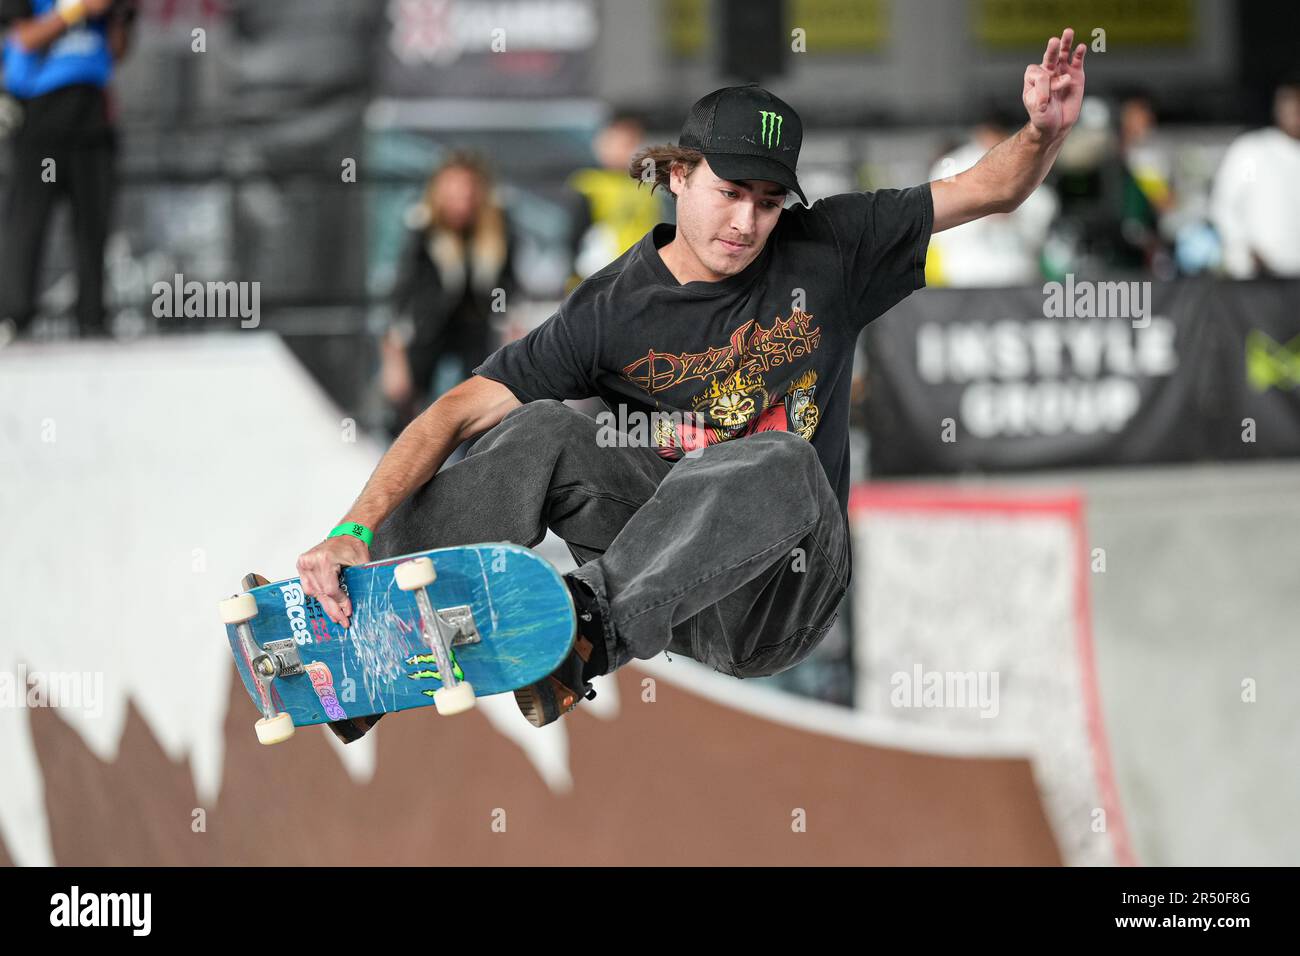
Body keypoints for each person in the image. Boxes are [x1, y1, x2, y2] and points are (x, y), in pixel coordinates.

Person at [298, 29, 1088, 740]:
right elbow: (454, 413)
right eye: (729, 193)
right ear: (678, 176)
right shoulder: (609, 311)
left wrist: (1042, 131)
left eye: (768, 203)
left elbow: (991, 189)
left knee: (782, 457)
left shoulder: (836, 247)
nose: (746, 223)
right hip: (677, 585)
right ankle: (368, 624)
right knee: (543, 431)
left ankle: (582, 635)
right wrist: (356, 530)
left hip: (785, 590)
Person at [0, 0, 136, 344]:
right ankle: (16, 318)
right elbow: (24, 38)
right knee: (28, 223)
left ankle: (92, 318)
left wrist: (116, 15)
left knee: (94, 225)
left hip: (91, 123)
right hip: (42, 123)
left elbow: (117, 52)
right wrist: (76, 9)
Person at [379, 151, 517, 448]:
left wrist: (513, 332)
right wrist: (394, 358)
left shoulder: (497, 227)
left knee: (481, 419)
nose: (461, 200)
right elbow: (401, 293)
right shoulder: (422, 226)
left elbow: (509, 287)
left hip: (478, 332)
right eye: (453, 191)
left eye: (468, 191)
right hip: (428, 331)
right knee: (405, 420)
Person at [926, 110, 1058, 286]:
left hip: (1017, 274)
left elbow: (1043, 215)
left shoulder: (1030, 162)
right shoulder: (953, 164)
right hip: (966, 276)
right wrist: (981, 210)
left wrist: (1014, 212)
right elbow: (936, 224)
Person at [1210, 80, 1300, 278]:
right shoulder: (1253, 151)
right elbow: (1223, 205)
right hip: (1257, 278)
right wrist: (1245, 249)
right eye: (1290, 105)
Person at [565, 110, 664, 287]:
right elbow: (574, 238)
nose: (627, 150)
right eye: (620, 143)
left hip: (639, 275)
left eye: (632, 143)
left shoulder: (645, 185)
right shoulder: (589, 183)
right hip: (600, 277)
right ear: (603, 143)